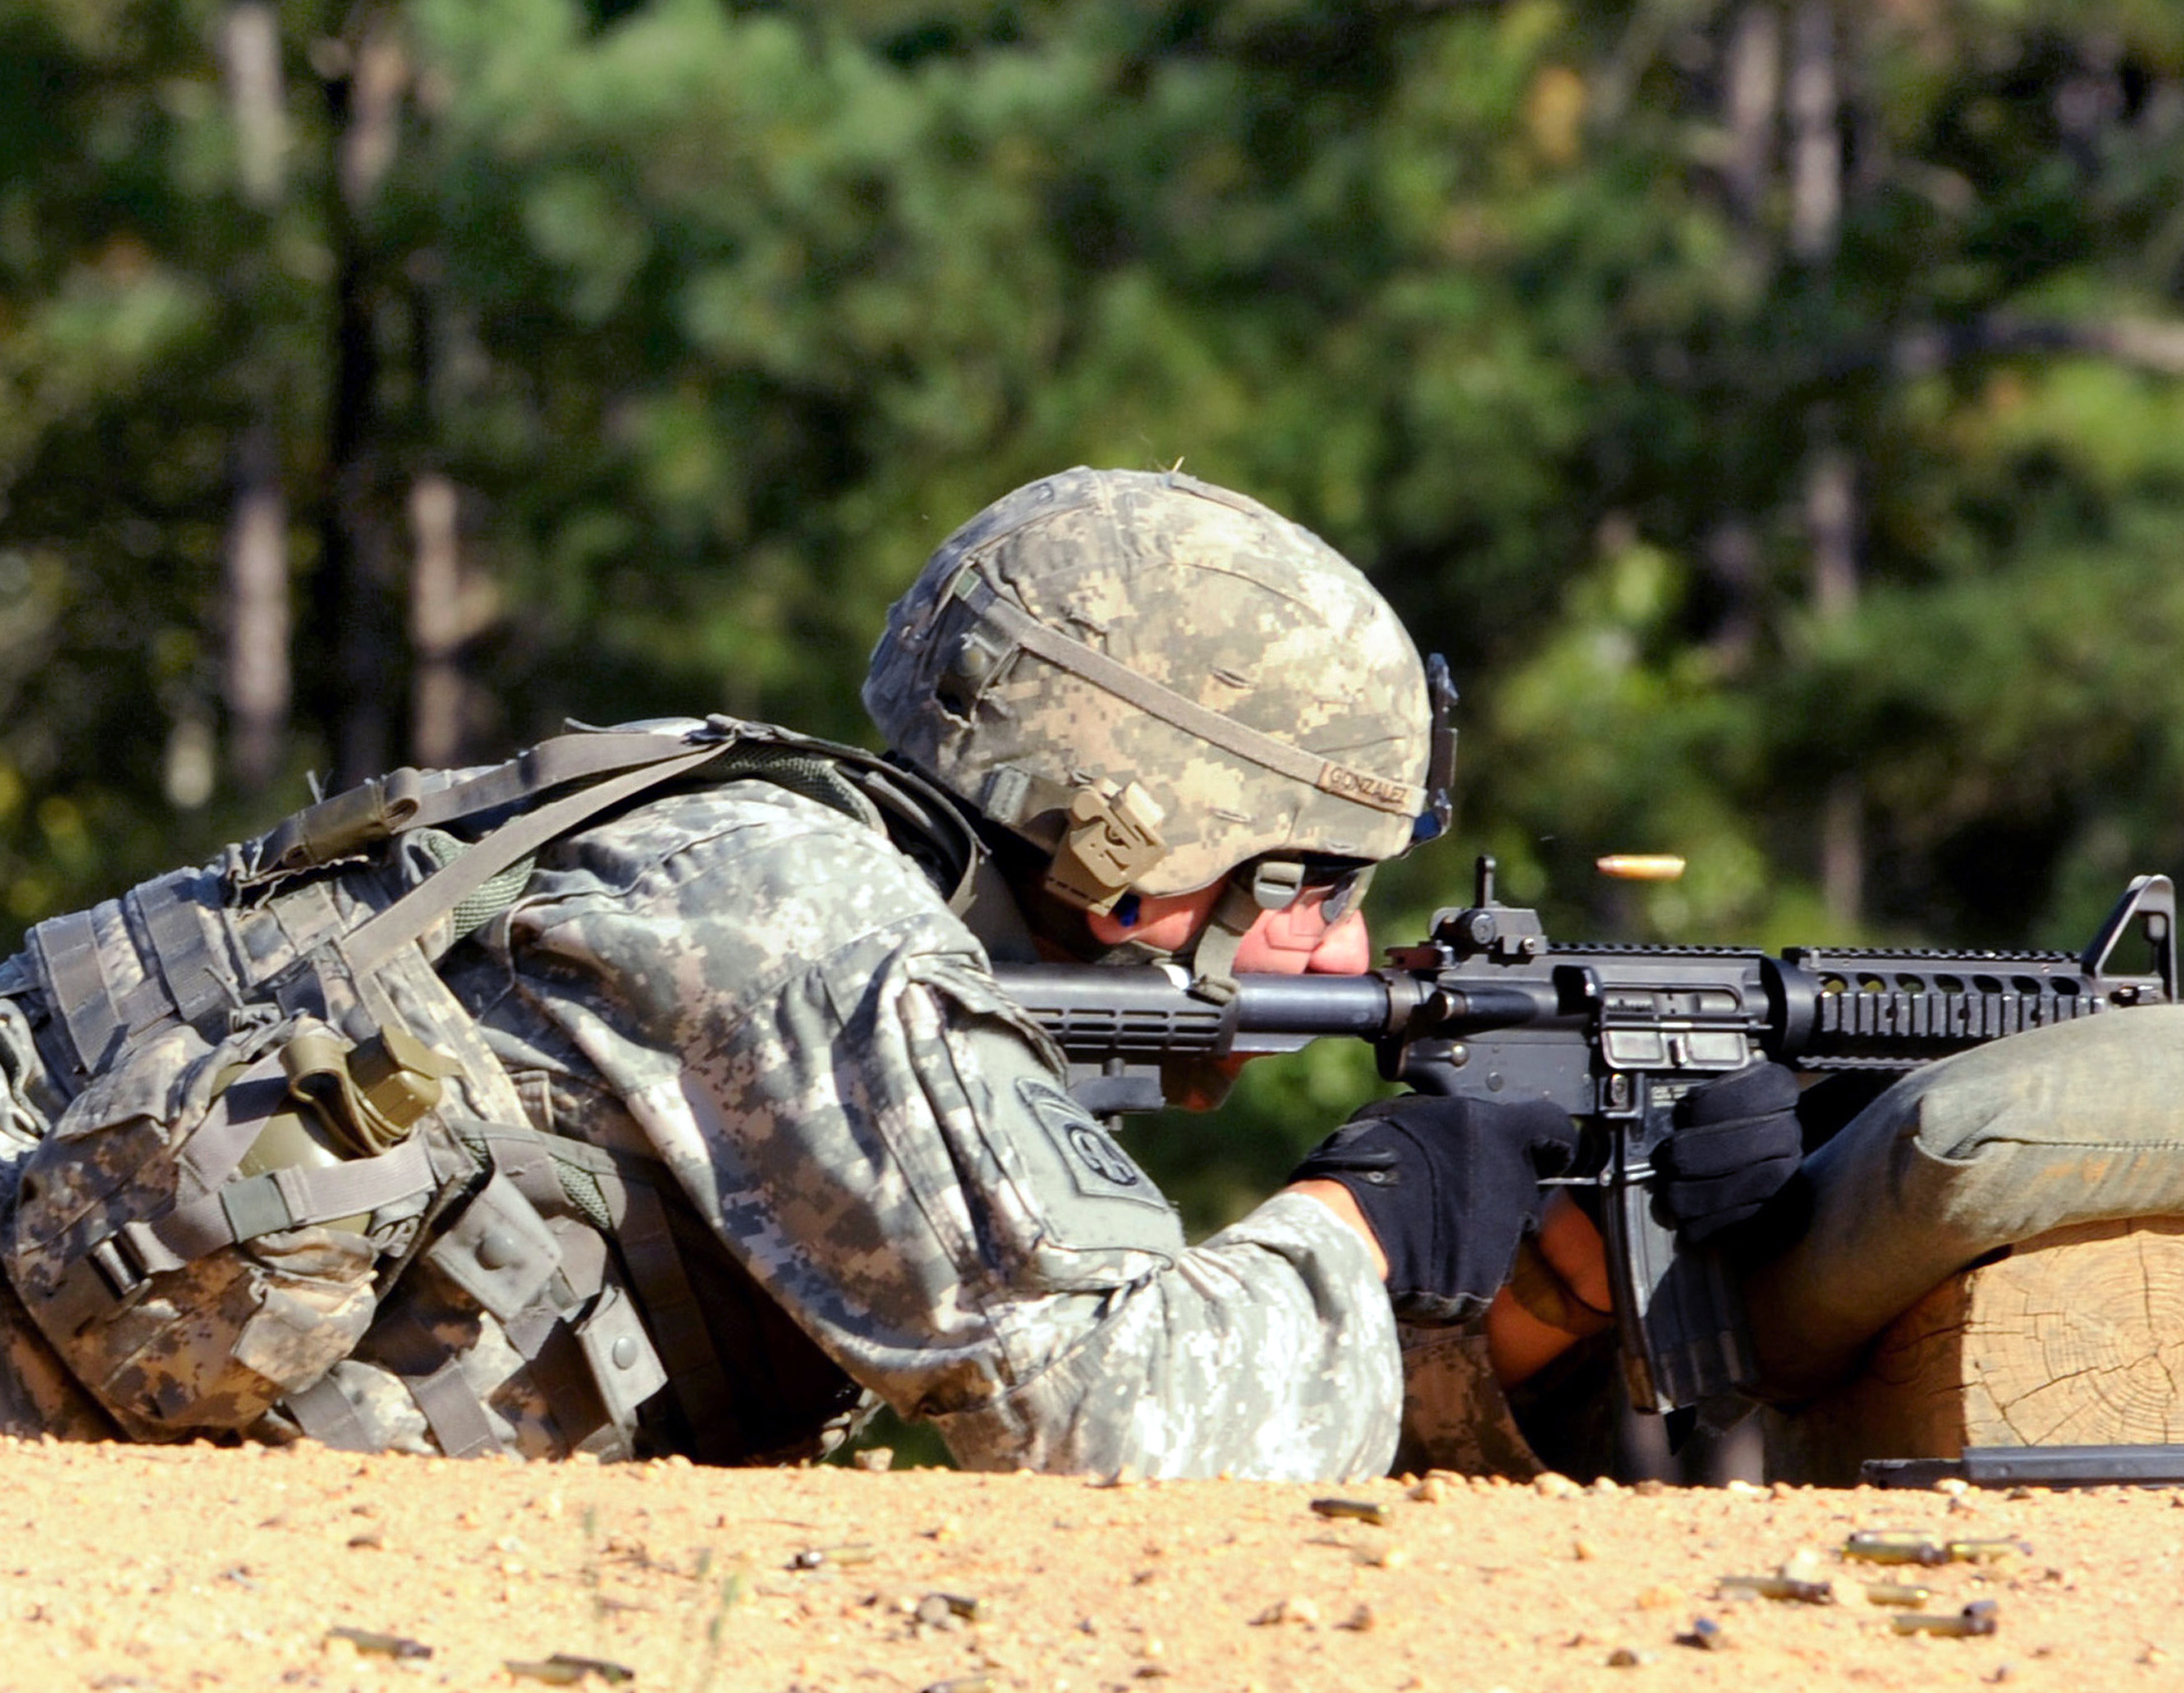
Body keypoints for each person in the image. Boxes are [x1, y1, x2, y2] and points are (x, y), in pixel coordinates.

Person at [0, 467, 1679, 1478]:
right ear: (1128, 832)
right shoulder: (801, 916)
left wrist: (1553, 1289)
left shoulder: (798, 866)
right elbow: (1123, 1425)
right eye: (1307, 882)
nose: (1335, 952)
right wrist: (1380, 1209)